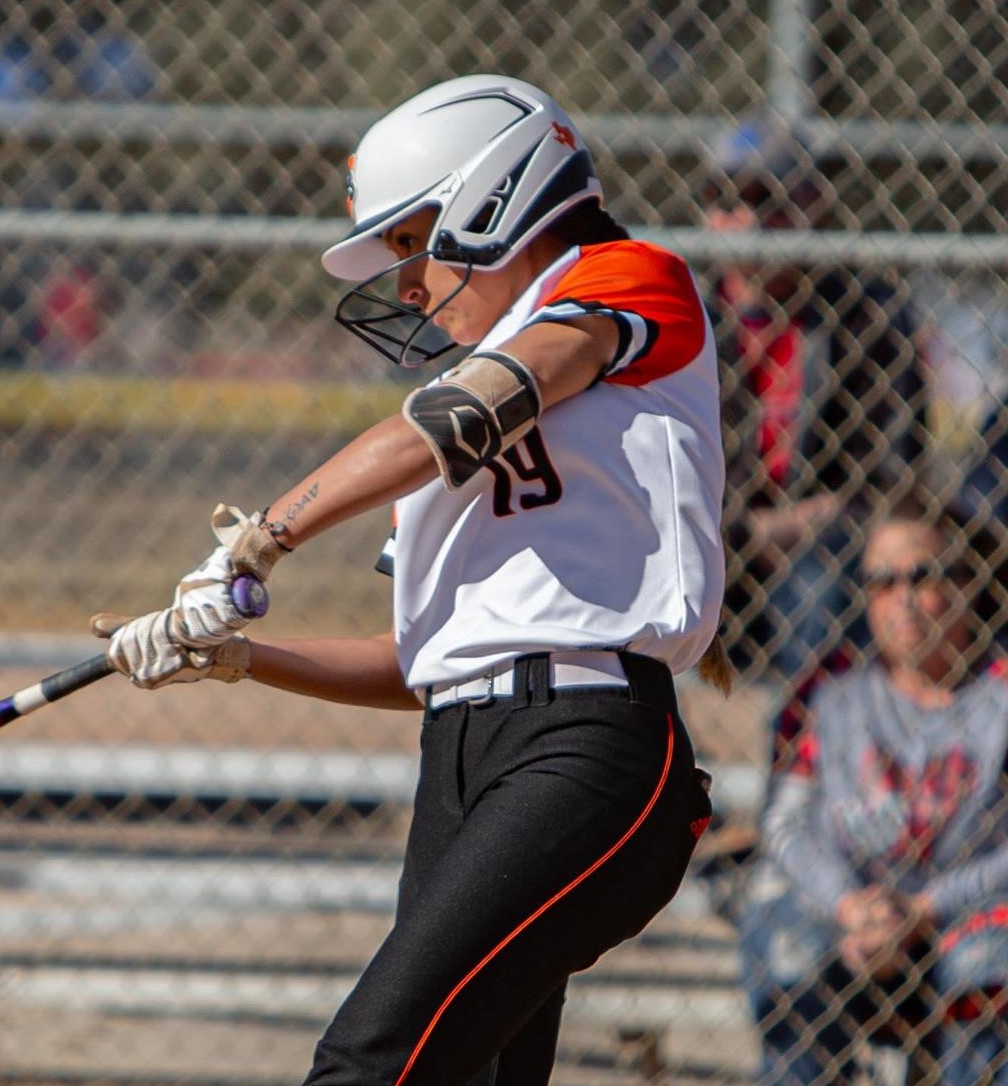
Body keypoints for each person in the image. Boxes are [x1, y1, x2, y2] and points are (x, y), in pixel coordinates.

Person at [90, 74, 721, 1085]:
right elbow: (424, 662)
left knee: (367, 1066)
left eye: (409, 243)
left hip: (584, 743)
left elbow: (467, 416)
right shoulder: (438, 404)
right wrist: (238, 658)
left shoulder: (624, 279)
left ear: (489, 201)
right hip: (461, 757)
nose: (405, 288)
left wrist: (260, 542)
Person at [734, 509, 1008, 1085]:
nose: (903, 599)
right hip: (850, 919)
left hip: (963, 914)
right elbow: (784, 828)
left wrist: (921, 911)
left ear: (968, 584)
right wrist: (849, 906)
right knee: (785, 942)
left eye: (924, 577)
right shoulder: (830, 688)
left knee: (993, 957)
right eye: (882, 582)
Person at [705, 116, 932, 684]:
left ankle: (800, 745)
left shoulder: (865, 316)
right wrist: (734, 533)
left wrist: (785, 528)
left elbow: (887, 474)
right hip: (714, 534)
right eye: (725, 198)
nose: (748, 220)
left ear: (814, 204)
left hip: (821, 538)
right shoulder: (686, 316)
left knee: (816, 582)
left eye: (769, 200)